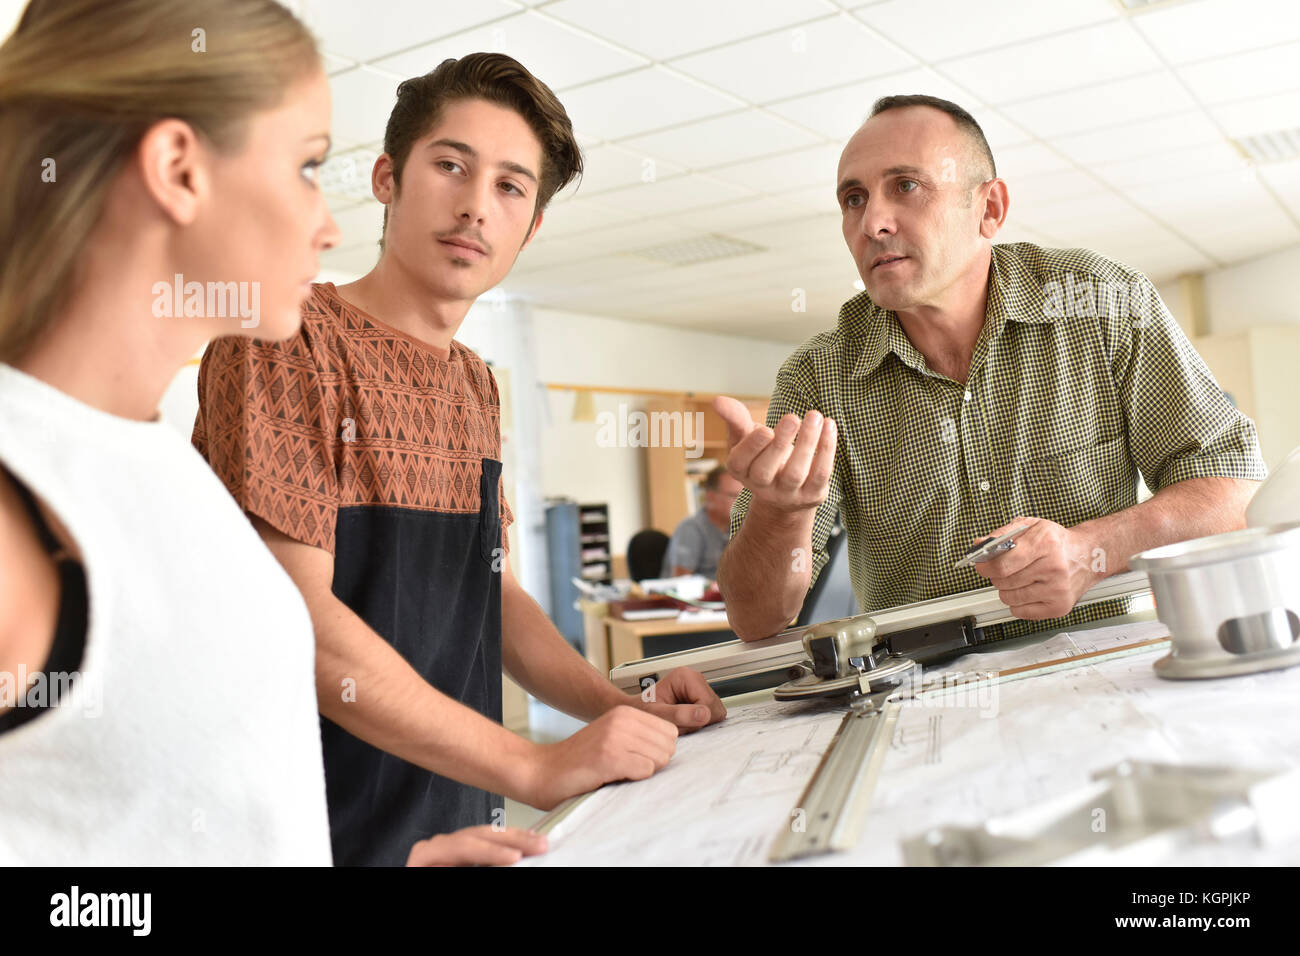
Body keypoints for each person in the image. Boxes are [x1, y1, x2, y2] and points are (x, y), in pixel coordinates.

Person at [0, 0, 542, 867]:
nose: (325, 224)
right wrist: (532, 761)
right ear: (179, 168)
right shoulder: (22, 499)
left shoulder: (150, 465)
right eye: (305, 166)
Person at [192, 52, 726, 867]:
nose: (477, 207)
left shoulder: (475, 383)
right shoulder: (284, 343)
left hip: (457, 824)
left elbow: (496, 593)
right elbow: (300, 619)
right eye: (451, 166)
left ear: (532, 225)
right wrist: (535, 764)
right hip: (312, 831)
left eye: (511, 187)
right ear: (385, 178)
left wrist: (619, 700)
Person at [716, 94, 1266, 645]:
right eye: (853, 199)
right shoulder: (818, 377)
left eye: (906, 186)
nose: (873, 222)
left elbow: (1235, 496)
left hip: (1098, 672)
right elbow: (757, 619)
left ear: (990, 210)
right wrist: (780, 515)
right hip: (924, 695)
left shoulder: (1101, 301)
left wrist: (1092, 550)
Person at [662, 465, 743, 579]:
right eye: (734, 496)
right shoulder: (690, 529)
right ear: (710, 497)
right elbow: (681, 580)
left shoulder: (740, 528)